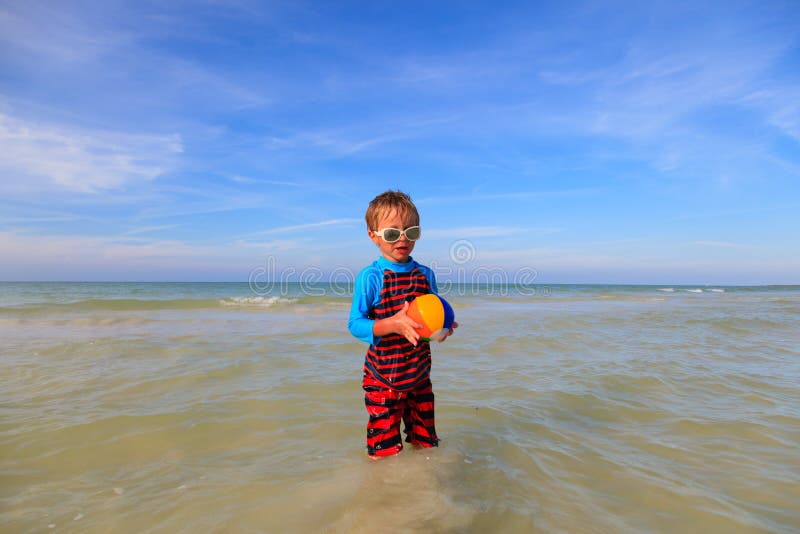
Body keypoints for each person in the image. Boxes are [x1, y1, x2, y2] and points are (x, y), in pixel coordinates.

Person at [348, 190, 457, 458]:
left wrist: (441, 330)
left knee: (426, 444)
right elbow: (355, 324)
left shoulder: (425, 275)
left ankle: (420, 486)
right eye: (392, 233)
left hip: (419, 375)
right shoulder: (371, 277)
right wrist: (391, 324)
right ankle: (384, 492)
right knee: (383, 450)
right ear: (373, 236)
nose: (403, 238)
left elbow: (430, 319)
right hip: (382, 377)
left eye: (411, 231)